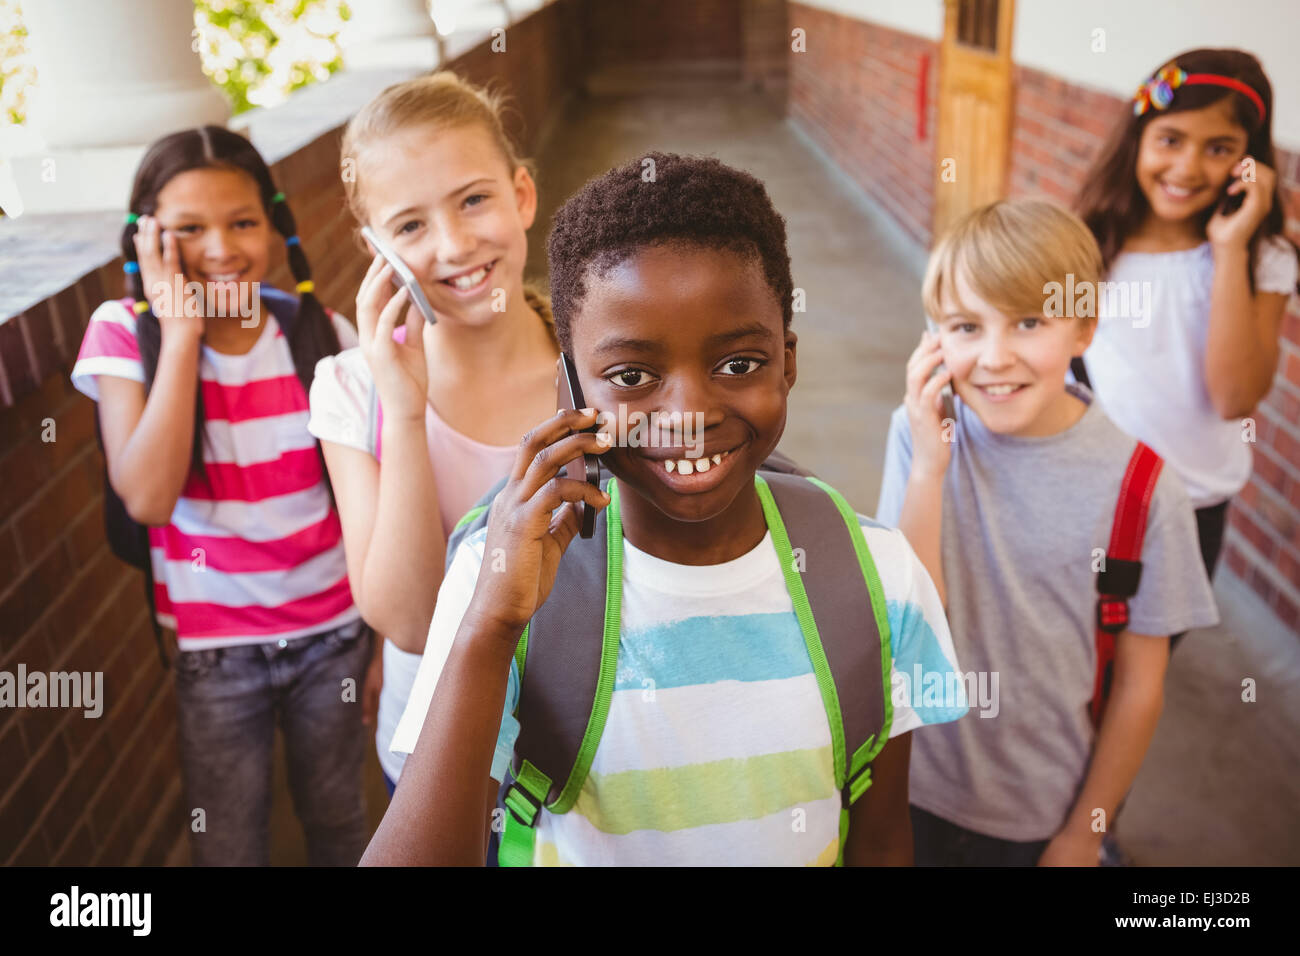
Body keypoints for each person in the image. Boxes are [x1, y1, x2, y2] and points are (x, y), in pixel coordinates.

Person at [368, 152, 967, 866]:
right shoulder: (497, 582)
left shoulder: (877, 578)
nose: (687, 414)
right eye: (631, 376)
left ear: (789, 361)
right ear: (569, 384)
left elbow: (882, 840)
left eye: (738, 364)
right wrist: (491, 627)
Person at [877, 198, 1219, 866]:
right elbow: (911, 622)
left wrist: (1083, 834)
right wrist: (929, 468)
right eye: (965, 326)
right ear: (933, 340)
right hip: (908, 787)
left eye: (1029, 322)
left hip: (1039, 816)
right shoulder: (917, 435)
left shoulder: (1145, 491)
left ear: (1084, 329)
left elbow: (1140, 689)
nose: (995, 357)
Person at [70, 126, 368, 866]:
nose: (222, 249)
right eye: (188, 230)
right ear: (146, 240)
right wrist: (178, 335)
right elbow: (147, 496)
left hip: (334, 634)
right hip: (215, 652)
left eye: (242, 222)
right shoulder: (120, 337)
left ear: (274, 223)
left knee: (340, 822)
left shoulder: (324, 336)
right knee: (229, 843)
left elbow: (371, 501)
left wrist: (385, 635)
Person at [306, 72, 560, 798]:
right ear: (374, 246)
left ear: (522, 194)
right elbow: (412, 622)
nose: (453, 244)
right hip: (441, 768)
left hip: (590, 753)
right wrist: (405, 409)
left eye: (474, 199)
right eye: (411, 225)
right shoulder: (353, 390)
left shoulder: (597, 365)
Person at [1074, 48, 1299, 589]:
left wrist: (1228, 248)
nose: (1187, 168)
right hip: (1085, 494)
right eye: (1170, 140)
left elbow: (1234, 398)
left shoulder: (1262, 259)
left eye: (1219, 148)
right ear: (1139, 139)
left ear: (1250, 163)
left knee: (1145, 666)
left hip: (1189, 508)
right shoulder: (1091, 238)